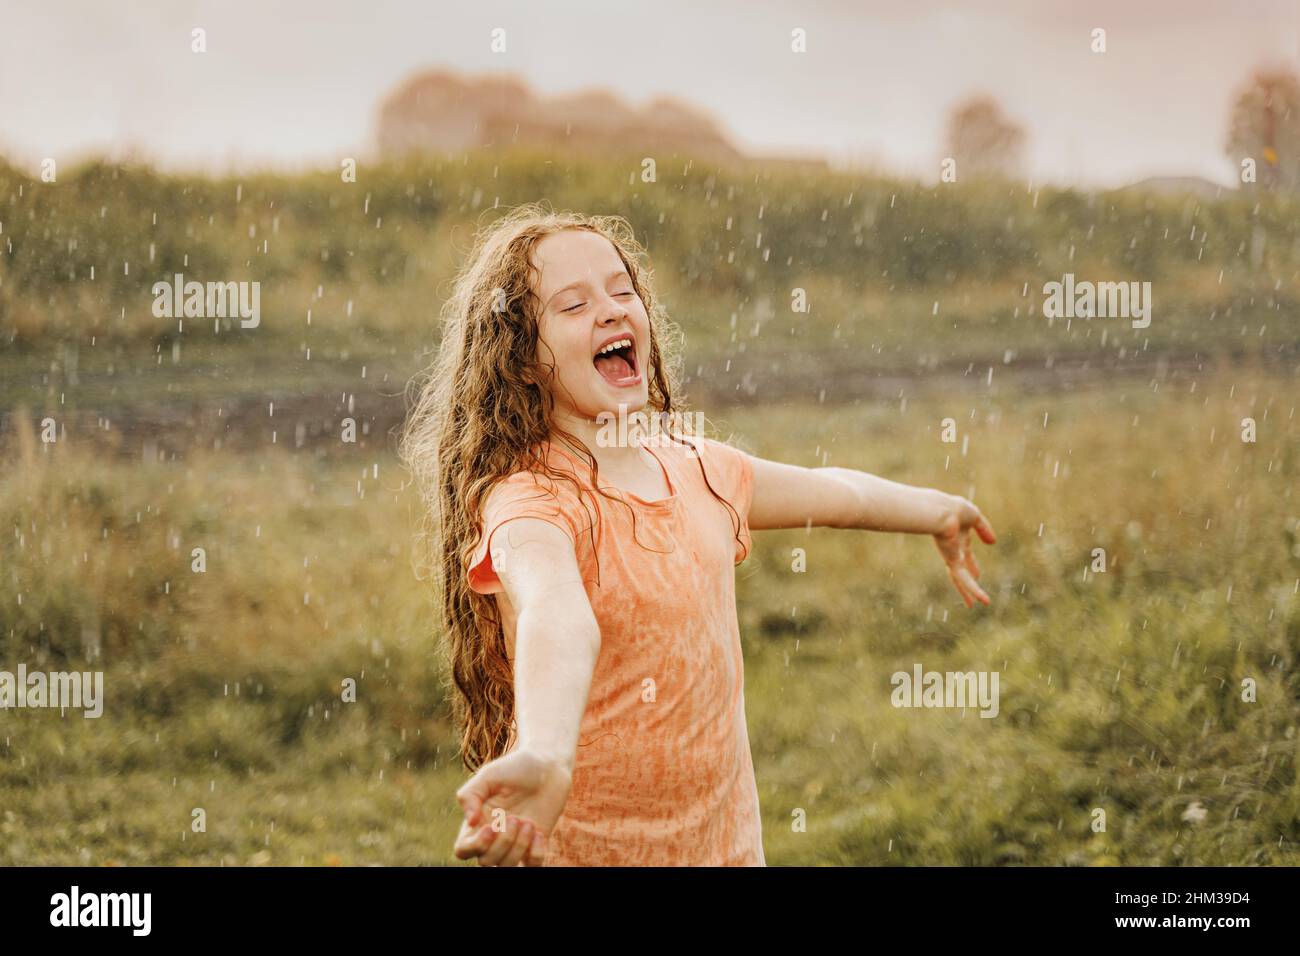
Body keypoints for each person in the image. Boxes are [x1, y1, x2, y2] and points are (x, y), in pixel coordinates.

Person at [398, 203, 996, 866]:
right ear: (522, 357)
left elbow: (838, 494)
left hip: (725, 847)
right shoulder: (530, 504)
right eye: (572, 305)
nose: (610, 309)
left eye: (622, 290)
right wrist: (544, 753)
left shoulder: (702, 471)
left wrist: (938, 509)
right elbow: (554, 613)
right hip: (580, 851)